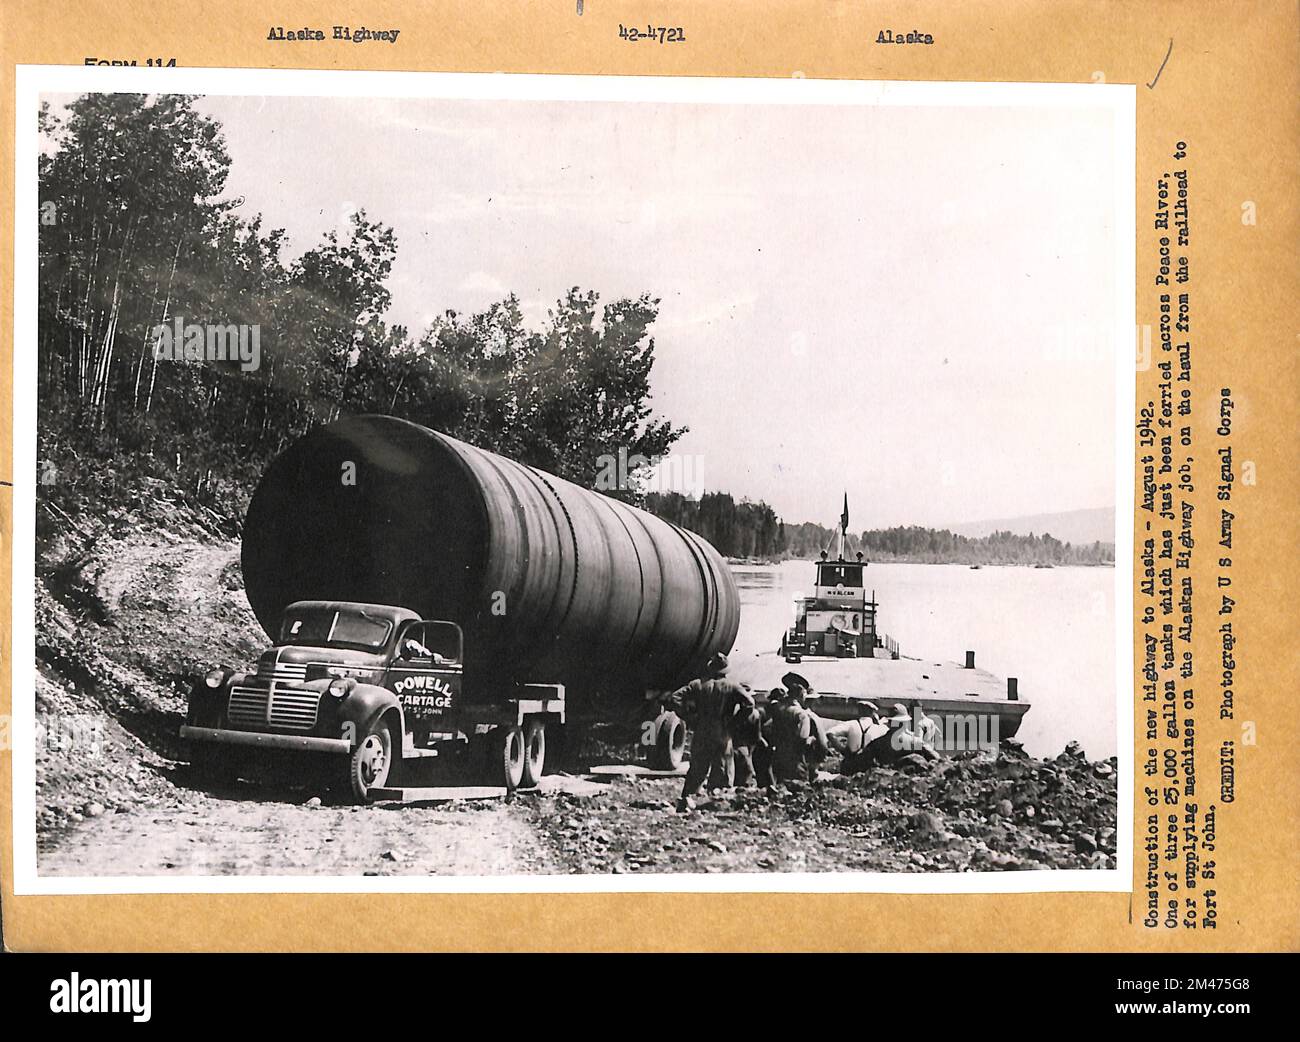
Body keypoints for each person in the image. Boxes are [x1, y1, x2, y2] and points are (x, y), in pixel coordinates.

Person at [667, 652, 747, 811]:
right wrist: (734, 721)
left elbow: (675, 698)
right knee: (722, 767)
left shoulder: (697, 684)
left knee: (697, 766)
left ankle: (687, 800)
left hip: (702, 729)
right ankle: (718, 803)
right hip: (722, 731)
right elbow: (749, 703)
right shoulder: (732, 686)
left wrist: (689, 717)